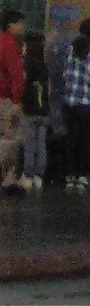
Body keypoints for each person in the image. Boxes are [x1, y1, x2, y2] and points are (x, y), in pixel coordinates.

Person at [62, 23, 90, 190]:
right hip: (87, 103)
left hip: (69, 101)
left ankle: (70, 175)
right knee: (86, 140)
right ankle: (82, 175)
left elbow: (65, 73)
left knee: (71, 138)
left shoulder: (70, 50)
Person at [20, 33, 50, 191]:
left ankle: (28, 174)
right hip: (43, 110)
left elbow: (22, 85)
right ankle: (39, 176)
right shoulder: (44, 65)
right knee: (41, 143)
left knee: (29, 143)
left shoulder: (26, 64)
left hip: (29, 109)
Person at [0, 10, 25, 196]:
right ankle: (8, 179)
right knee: (11, 137)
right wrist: (16, 99)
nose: (22, 26)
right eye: (19, 23)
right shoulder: (9, 45)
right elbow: (15, 73)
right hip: (6, 98)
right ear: (10, 24)